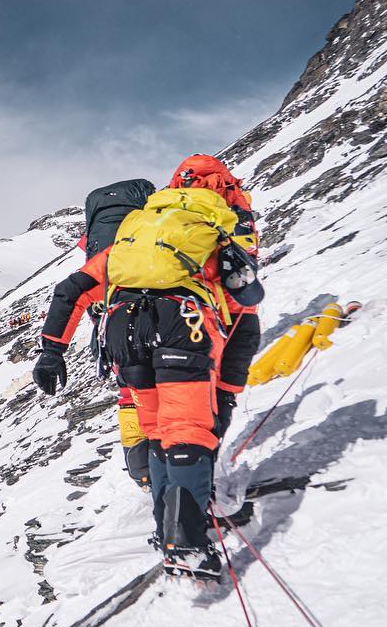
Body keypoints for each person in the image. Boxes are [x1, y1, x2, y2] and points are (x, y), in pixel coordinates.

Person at [39, 156, 261, 580]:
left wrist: (52, 349)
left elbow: (72, 290)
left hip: (124, 332)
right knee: (188, 430)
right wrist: (228, 391)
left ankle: (169, 532)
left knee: (158, 430)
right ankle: (188, 546)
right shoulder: (214, 237)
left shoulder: (133, 239)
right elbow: (245, 317)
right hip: (182, 327)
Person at [34, 179, 157, 488]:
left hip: (116, 337)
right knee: (176, 406)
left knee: (132, 393)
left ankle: (144, 470)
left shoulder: (100, 255)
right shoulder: (158, 241)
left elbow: (70, 294)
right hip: (169, 332)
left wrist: (51, 351)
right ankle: (179, 485)